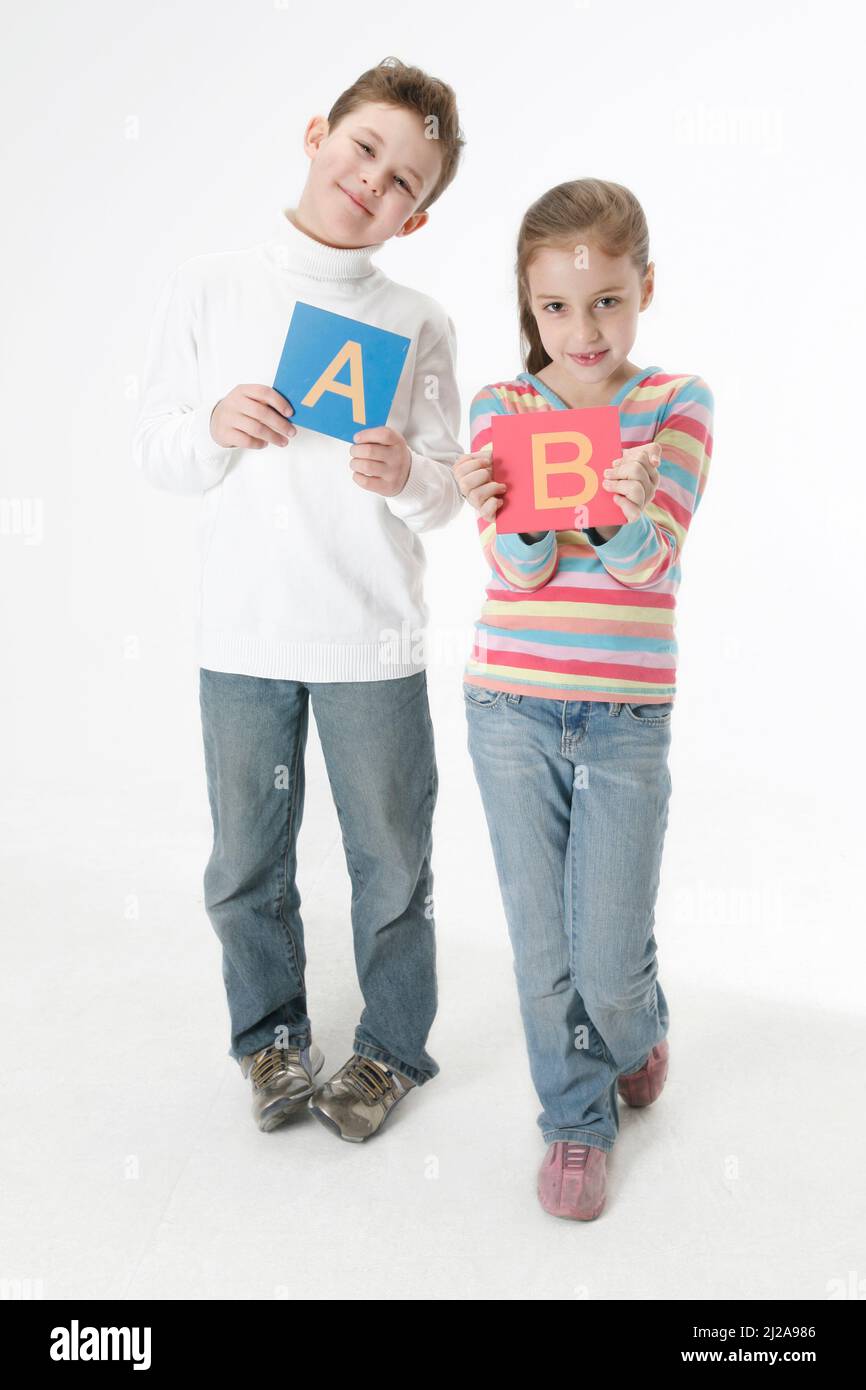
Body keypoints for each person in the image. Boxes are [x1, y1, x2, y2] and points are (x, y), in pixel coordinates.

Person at [132, 57, 466, 1139]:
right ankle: (270, 1037)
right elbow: (159, 451)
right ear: (317, 131)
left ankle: (389, 1050)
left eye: (404, 180)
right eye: (365, 148)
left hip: (370, 637)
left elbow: (445, 492)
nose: (374, 179)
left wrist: (400, 474)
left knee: (391, 858)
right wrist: (213, 425)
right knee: (244, 857)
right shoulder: (212, 285)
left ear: (414, 219)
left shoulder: (416, 317)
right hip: (242, 634)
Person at [454, 178, 714, 1218]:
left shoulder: (675, 404)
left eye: (605, 299)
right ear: (527, 305)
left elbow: (652, 567)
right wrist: (507, 518)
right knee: (540, 946)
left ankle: (634, 1021)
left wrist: (619, 517)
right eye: (556, 307)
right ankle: (573, 1120)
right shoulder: (501, 407)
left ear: (642, 287)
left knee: (604, 960)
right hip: (508, 707)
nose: (582, 328)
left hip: (623, 718)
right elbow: (516, 572)